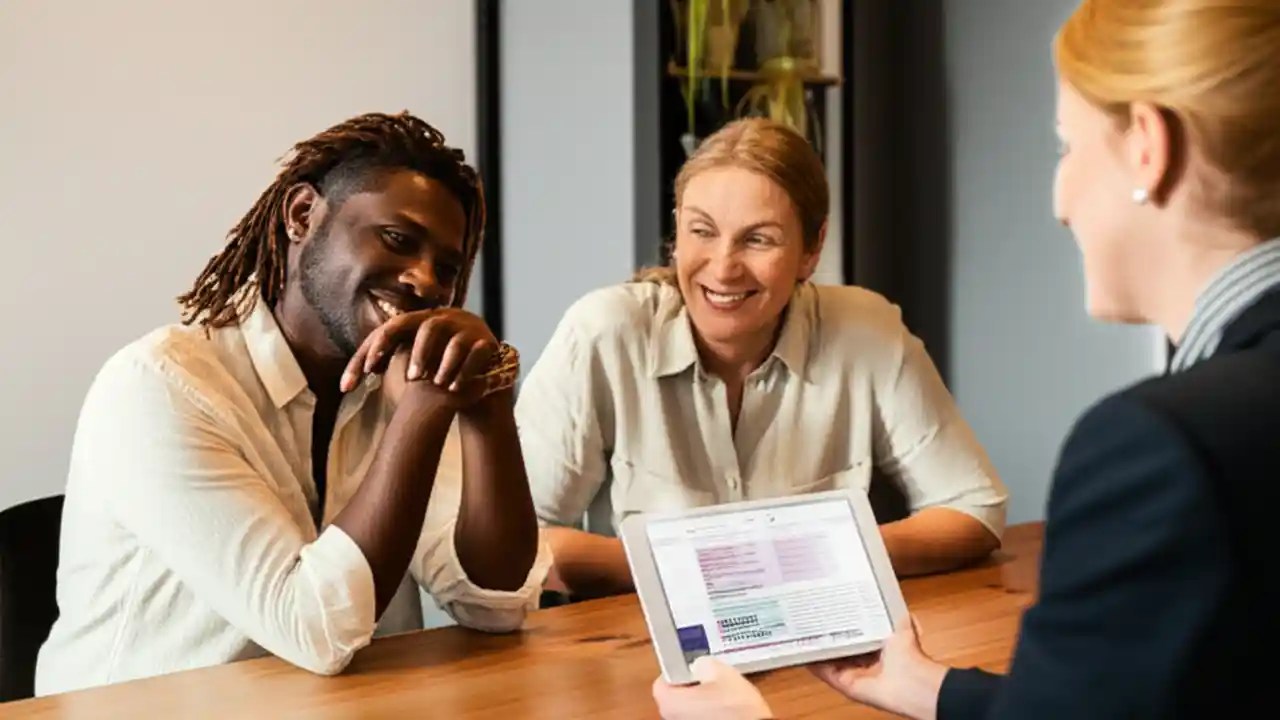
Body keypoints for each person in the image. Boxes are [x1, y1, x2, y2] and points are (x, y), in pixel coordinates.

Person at [651, 0, 1280, 717]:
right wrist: (930, 687)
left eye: (1067, 148)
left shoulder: (1159, 447)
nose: (1060, 200)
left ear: (1147, 146)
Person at [35, 112, 549, 695]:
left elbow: (495, 603)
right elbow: (314, 628)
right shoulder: (160, 385)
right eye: (398, 239)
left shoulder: (398, 388)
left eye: (448, 268)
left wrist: (487, 412)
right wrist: (424, 411)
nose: (427, 282)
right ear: (302, 216)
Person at [517, 117, 1008, 600]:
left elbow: (973, 510)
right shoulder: (602, 333)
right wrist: (717, 567)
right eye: (702, 231)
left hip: (819, 647)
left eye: (758, 239)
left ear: (811, 250)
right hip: (636, 657)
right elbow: (517, 542)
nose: (724, 267)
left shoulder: (869, 333)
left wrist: (801, 557)